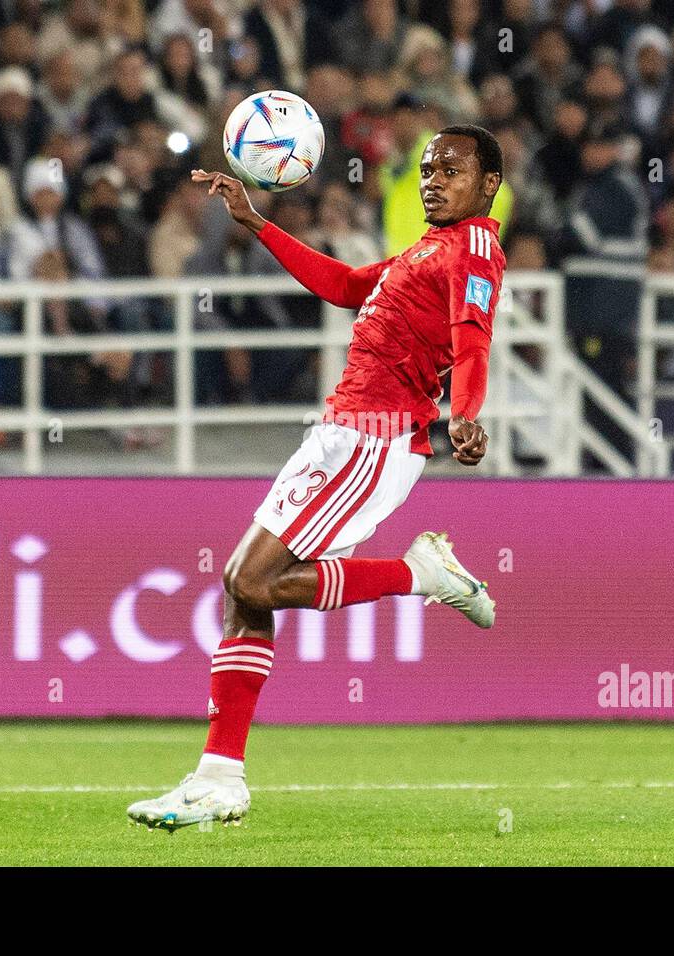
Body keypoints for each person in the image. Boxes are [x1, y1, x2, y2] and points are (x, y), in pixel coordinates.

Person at [127, 124, 507, 831]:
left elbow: (473, 333)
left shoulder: (476, 245)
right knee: (243, 590)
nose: (432, 179)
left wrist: (466, 411)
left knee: (249, 580)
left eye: (451, 171)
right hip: (337, 432)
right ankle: (218, 778)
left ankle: (419, 576)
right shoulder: (422, 250)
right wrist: (255, 222)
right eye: (427, 168)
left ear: (488, 186)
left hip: (377, 435)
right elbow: (345, 285)